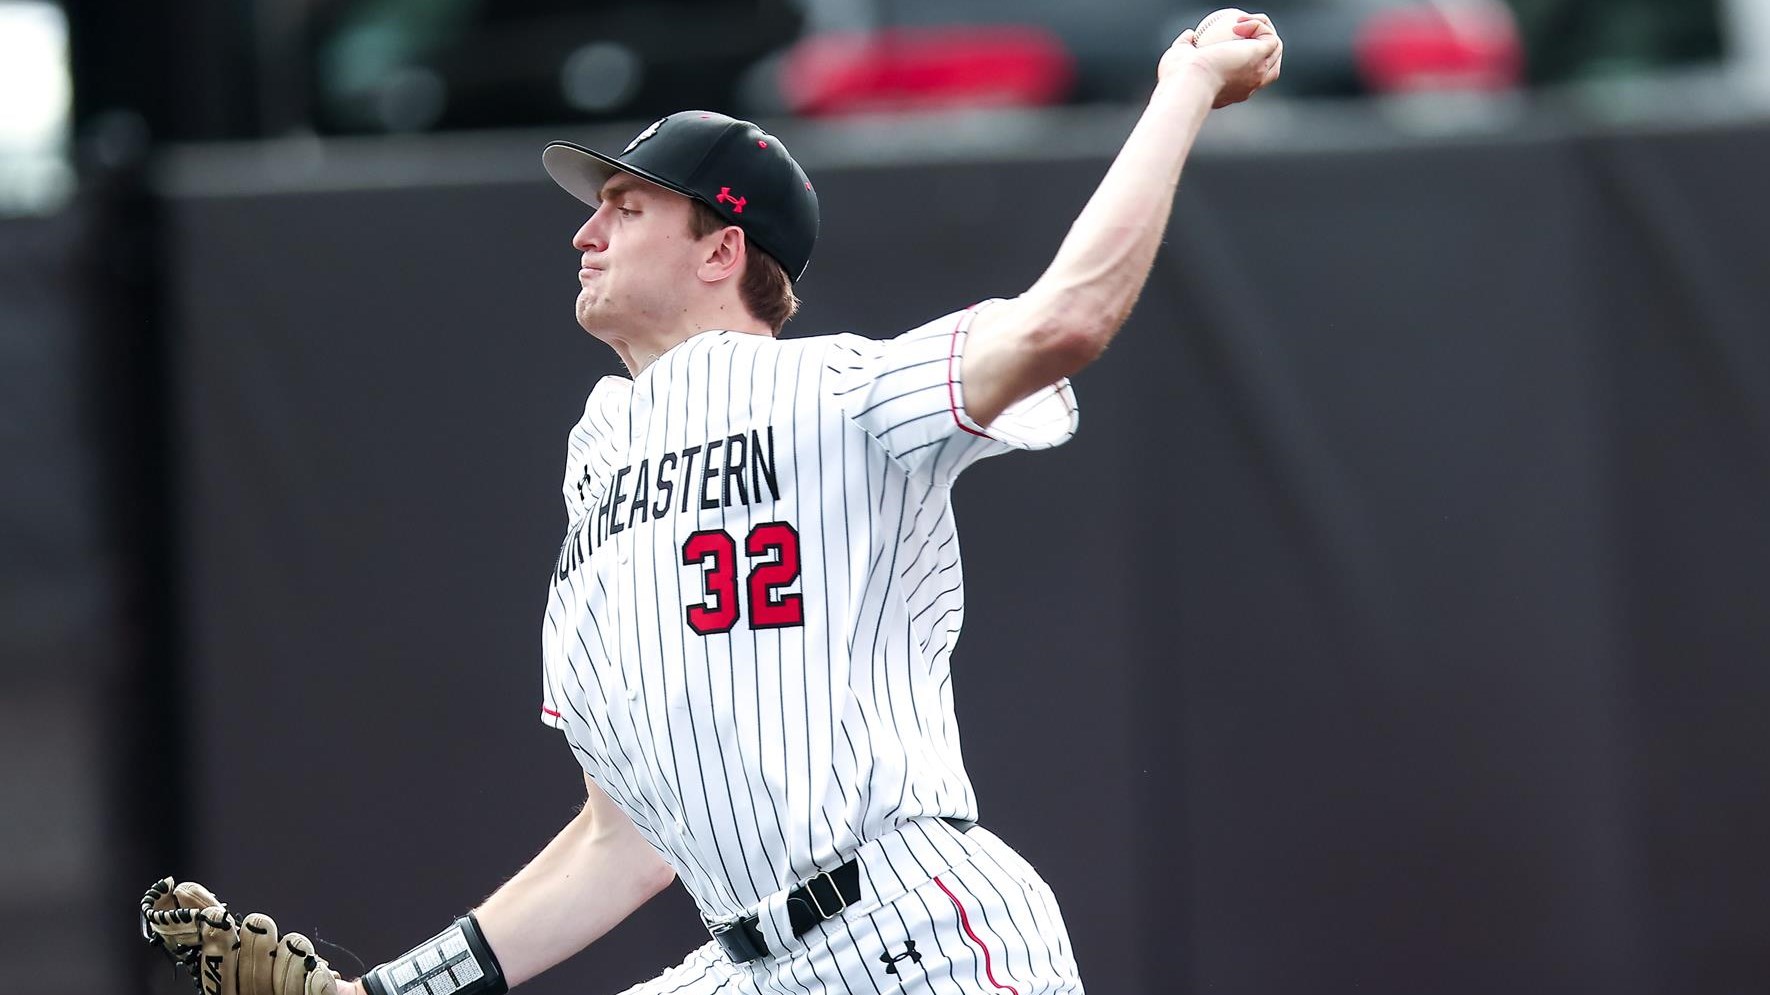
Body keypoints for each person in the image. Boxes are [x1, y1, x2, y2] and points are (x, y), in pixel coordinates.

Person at [333, 14, 1282, 995]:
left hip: (915, 930)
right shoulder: (600, 467)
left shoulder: (835, 389)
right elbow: (620, 839)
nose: (586, 231)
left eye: (626, 206)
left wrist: (1184, 87)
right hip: (750, 960)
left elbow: (1066, 320)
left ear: (720, 250)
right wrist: (388, 989)